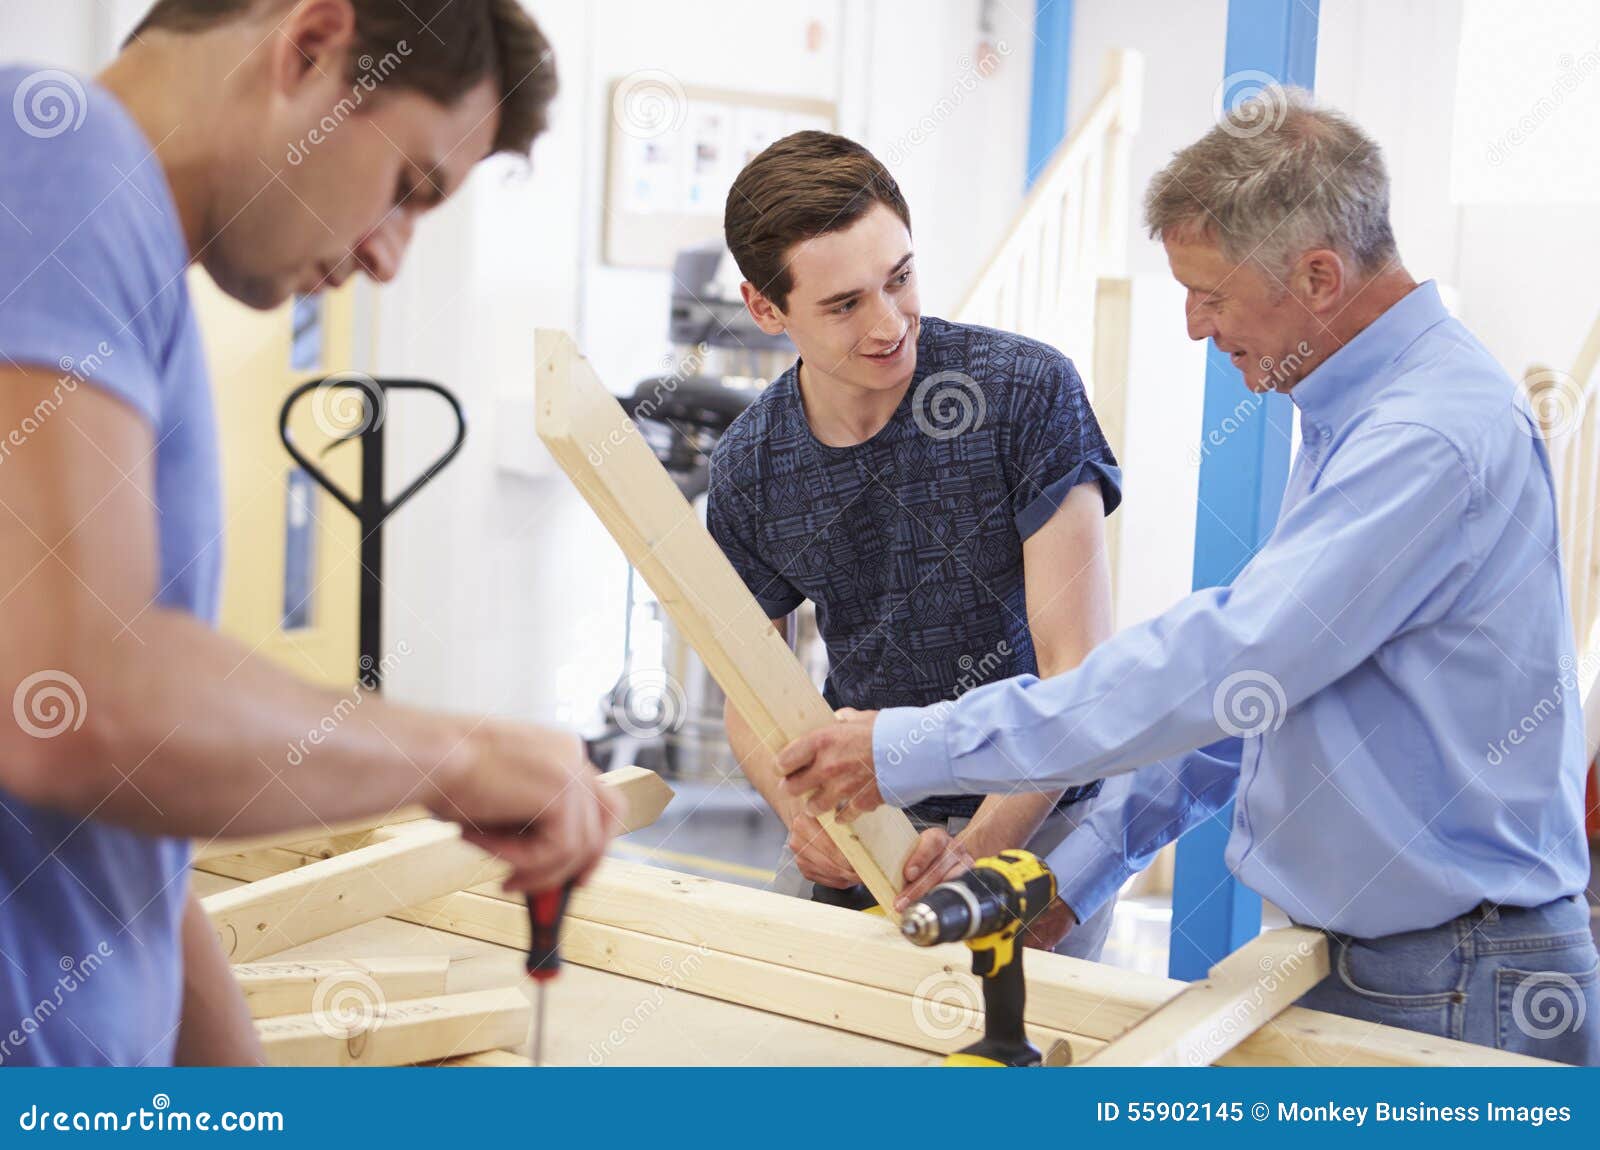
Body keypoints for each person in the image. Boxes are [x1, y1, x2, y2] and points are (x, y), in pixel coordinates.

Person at [773, 91, 1599, 1064]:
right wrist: (1074, 867)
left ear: (1319, 275)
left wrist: (914, 744)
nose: (1193, 326)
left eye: (1209, 292)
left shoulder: (1424, 435)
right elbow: (1261, 697)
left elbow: (1228, 657)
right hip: (1393, 958)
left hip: (1456, 977)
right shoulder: (1358, 412)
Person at [0, 0, 618, 1067]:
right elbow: (74, 708)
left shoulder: (130, 272)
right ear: (312, 44)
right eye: (410, 187)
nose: (388, 257)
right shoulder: (53, 151)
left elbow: (122, 834)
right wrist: (457, 754)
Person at [708, 131, 1122, 956]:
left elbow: (1077, 668)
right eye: (844, 304)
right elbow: (748, 696)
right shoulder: (750, 463)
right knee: (801, 1025)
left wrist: (973, 851)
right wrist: (805, 817)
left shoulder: (1026, 394)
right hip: (866, 807)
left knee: (1001, 1054)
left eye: (900, 279)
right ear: (765, 308)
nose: (890, 323)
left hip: (1039, 796)